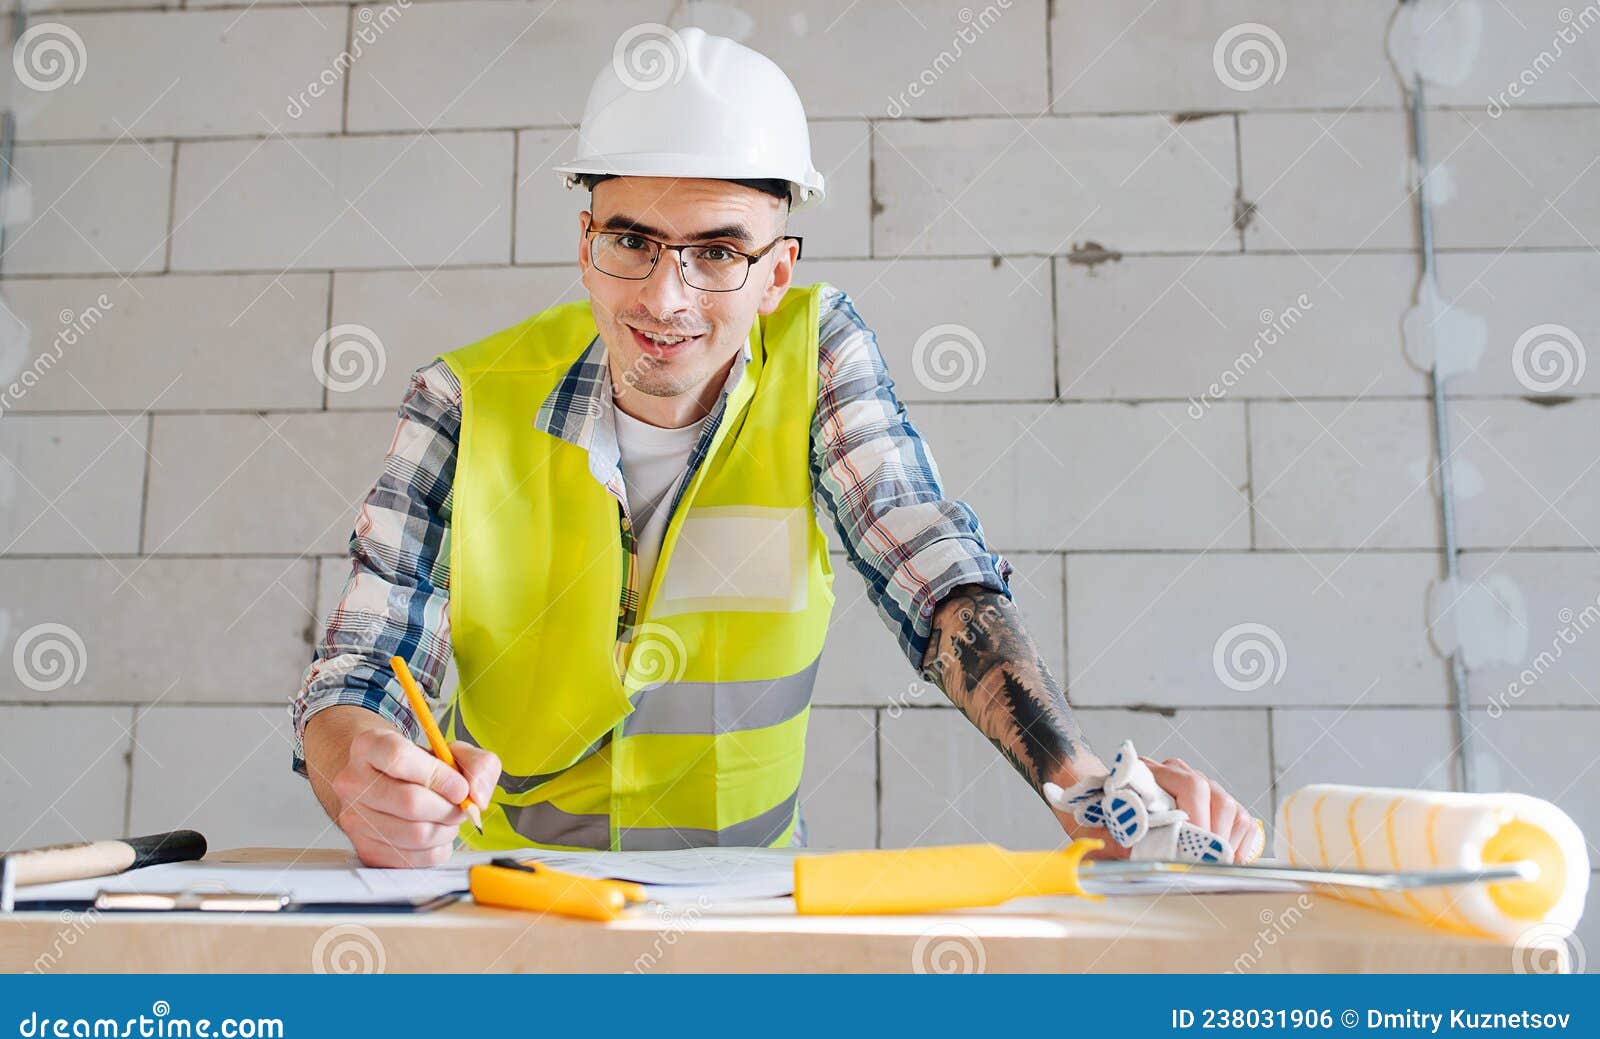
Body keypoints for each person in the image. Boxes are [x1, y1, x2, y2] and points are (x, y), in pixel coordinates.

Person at [290, 27, 1261, 868]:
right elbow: (357, 672)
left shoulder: (816, 355)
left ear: (775, 273)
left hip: (743, 922)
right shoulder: (462, 397)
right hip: (509, 907)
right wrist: (357, 773)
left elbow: (925, 560)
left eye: (716, 251)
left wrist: (1081, 785)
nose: (666, 298)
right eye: (631, 241)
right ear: (586, 241)